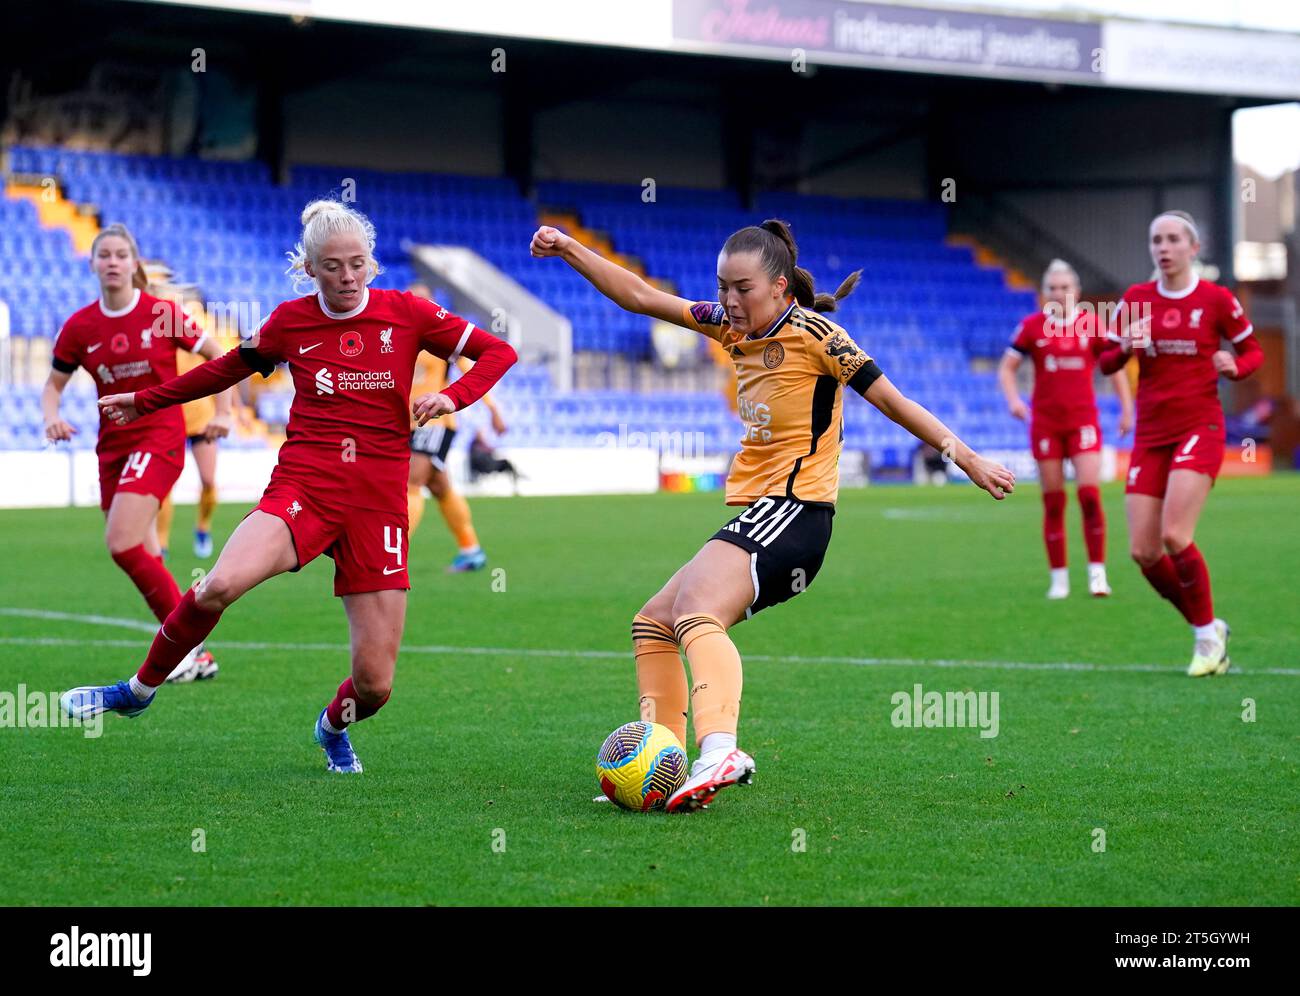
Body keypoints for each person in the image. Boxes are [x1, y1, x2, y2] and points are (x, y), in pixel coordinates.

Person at [531, 218, 1015, 813]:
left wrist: (967, 458)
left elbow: (894, 401)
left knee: (697, 611)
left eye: (743, 288)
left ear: (781, 287)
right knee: (653, 622)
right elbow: (641, 297)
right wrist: (571, 248)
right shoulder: (731, 328)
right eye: (723, 286)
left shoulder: (818, 336)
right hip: (764, 513)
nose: (729, 301)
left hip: (797, 512)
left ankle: (720, 750)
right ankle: (664, 762)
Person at [61, 200, 517, 772]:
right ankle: (138, 690)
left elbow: (499, 350)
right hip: (305, 486)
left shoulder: (410, 313)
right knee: (217, 586)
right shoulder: (290, 322)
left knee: (374, 687)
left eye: (357, 264)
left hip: (378, 506)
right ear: (309, 268)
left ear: (371, 263)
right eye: (331, 266)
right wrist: (145, 400)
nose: (347, 277)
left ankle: (331, 729)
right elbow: (224, 367)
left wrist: (454, 396)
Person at [42, 223, 230, 682]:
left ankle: (191, 650)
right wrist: (52, 416)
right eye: (103, 254)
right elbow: (53, 385)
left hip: (159, 438)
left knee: (121, 542)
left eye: (120, 254)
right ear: (92, 265)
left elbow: (219, 354)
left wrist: (223, 410)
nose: (111, 262)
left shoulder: (162, 313)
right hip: (112, 449)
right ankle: (189, 651)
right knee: (142, 551)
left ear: (134, 264)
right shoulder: (80, 326)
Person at [1098, 210, 1263, 676]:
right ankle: (1209, 628)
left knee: (1174, 535)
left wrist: (1237, 366)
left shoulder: (1216, 299)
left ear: (1194, 247)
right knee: (1143, 552)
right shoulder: (1136, 299)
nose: (1163, 247)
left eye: (1173, 239)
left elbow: (1254, 352)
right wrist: (1126, 347)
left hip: (1200, 427)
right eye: (1156, 240)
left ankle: (1207, 638)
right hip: (1151, 434)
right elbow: (1106, 362)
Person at [998, 259, 1133, 599]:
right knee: (1054, 502)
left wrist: (1127, 408)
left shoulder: (1092, 325)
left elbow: (1114, 367)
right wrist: (1014, 400)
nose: (1059, 294)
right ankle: (1059, 579)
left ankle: (1097, 575)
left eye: (1065, 288)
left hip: (1083, 422)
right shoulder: (1031, 326)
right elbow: (1007, 368)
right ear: (1045, 293)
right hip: (1046, 424)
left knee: (1089, 495)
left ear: (1076, 292)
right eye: (1053, 289)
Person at [404, 282, 507, 572]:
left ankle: (393, 555)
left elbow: (474, 372)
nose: (416, 305)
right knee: (440, 487)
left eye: (422, 301)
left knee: (410, 482)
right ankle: (471, 549)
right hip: (407, 425)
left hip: (435, 422)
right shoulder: (396, 339)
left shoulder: (442, 339)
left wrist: (494, 411)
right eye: (411, 300)